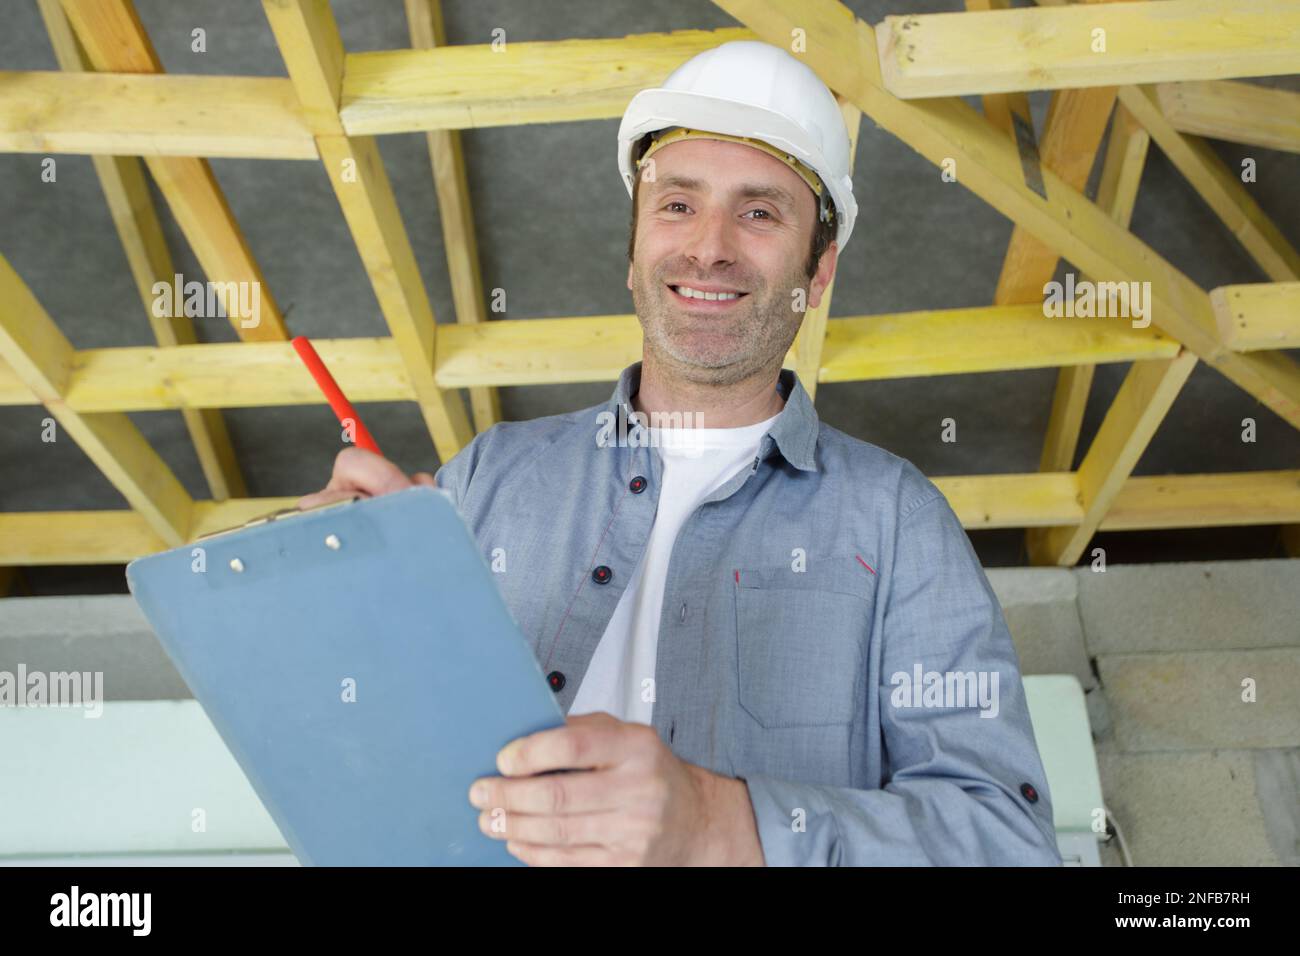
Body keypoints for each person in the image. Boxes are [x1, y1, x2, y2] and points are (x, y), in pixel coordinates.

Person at [299, 40, 1062, 867]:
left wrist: (716, 826)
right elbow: (375, 752)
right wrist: (341, 606)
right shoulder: (486, 479)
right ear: (632, 254)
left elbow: (1007, 842)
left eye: (761, 211)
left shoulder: (895, 519)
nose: (710, 247)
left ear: (820, 271)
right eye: (677, 206)